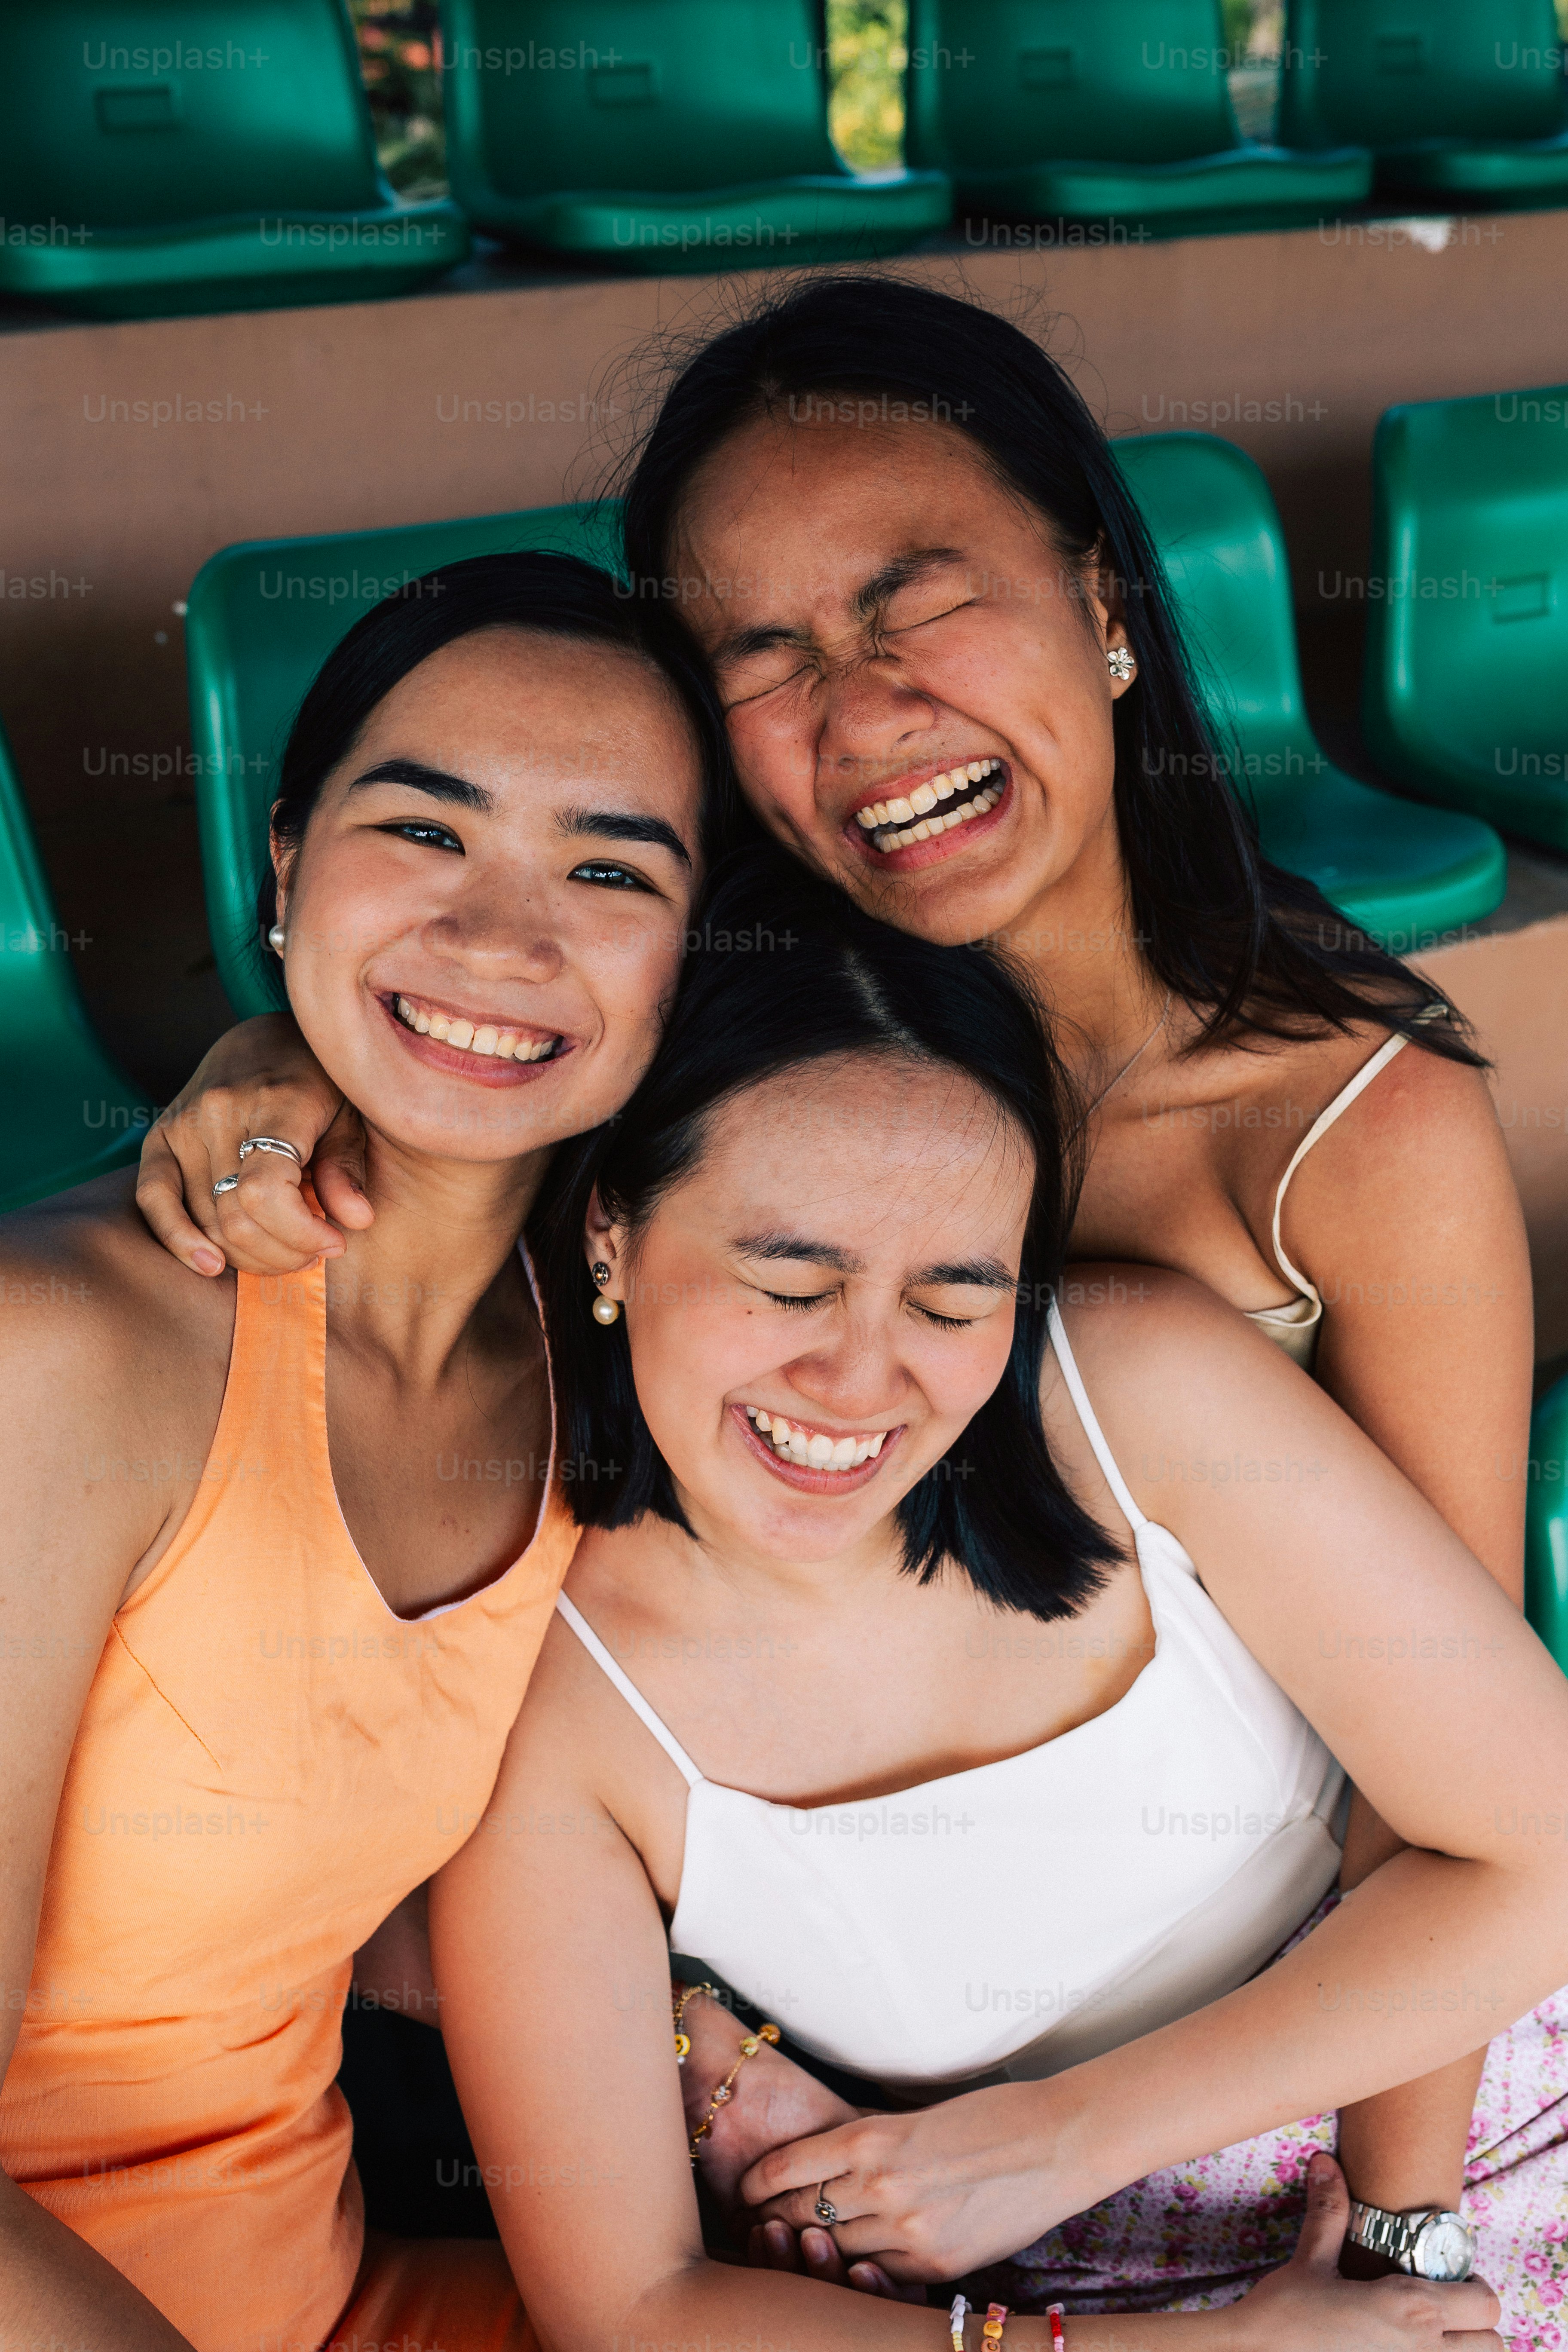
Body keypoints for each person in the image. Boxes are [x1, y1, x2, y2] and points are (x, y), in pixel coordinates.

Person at [132, 277, 1531, 2220]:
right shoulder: (692, 1068)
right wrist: (268, 1058)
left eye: (920, 598)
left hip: (1292, 2068)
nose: (867, 718)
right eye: (763, 659)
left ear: (1109, 606)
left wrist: (1400, 2240)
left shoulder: (1349, 1134)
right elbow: (450, 994)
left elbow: (1450, 1801)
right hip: (815, 2083)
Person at [430, 845, 1568, 2351]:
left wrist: (1059, 2138)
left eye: (954, 1297)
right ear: (611, 1236)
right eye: (787, 1283)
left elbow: (1544, 1855)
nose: (861, 1381)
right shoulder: (552, 1702)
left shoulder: (1134, 1391)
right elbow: (634, 2308)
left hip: (1486, 2113)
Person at [0, 553, 727, 2352]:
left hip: (317, 2287)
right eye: (425, 832)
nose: (503, 937)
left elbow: (313, 1889)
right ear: (283, 862)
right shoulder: (69, 1361)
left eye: (611, 868)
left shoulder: (603, 1353)